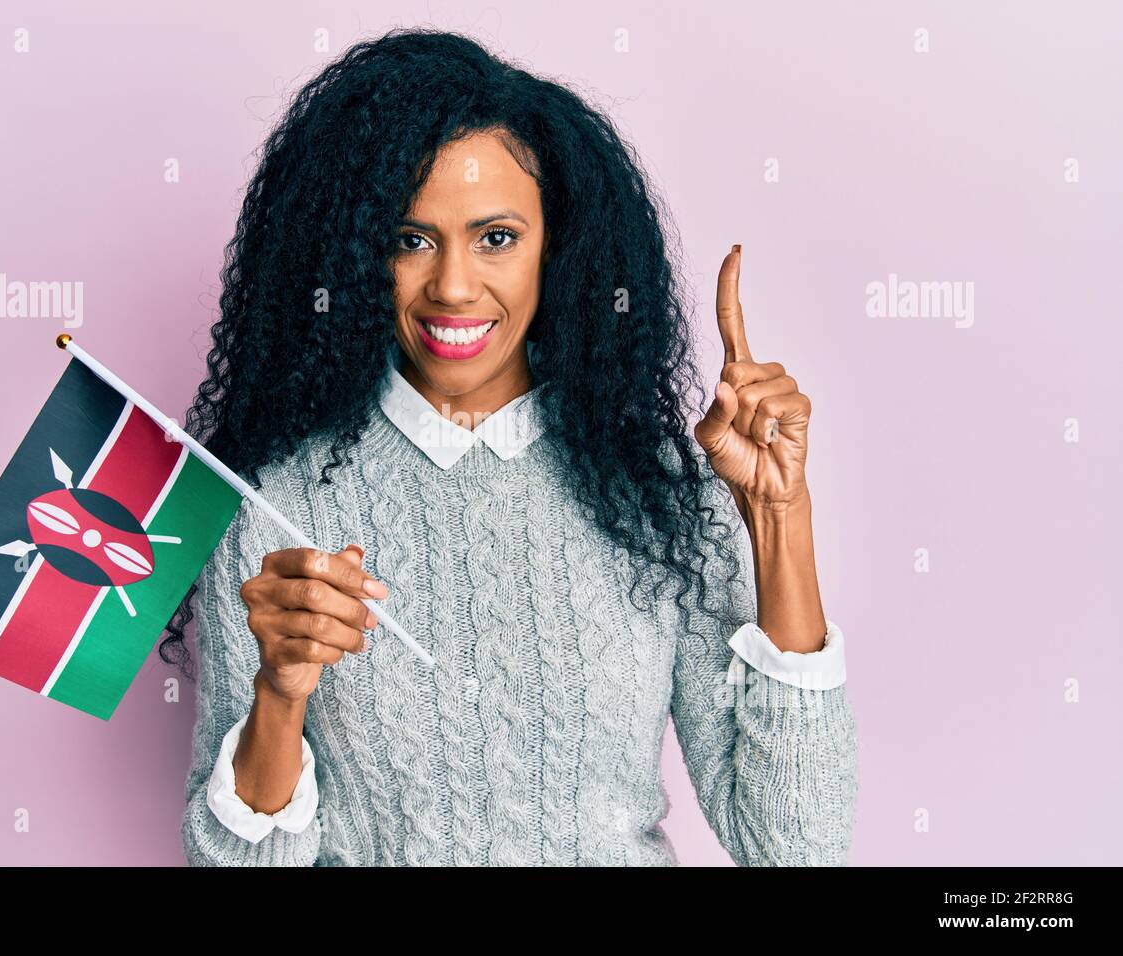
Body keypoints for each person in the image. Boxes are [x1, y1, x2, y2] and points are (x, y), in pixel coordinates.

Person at [164, 27, 858, 866]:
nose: (453, 286)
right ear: (351, 255)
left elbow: (796, 847)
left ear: (555, 250)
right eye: (409, 239)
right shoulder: (280, 504)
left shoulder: (655, 493)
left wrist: (779, 517)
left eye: (496, 237)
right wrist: (279, 692)